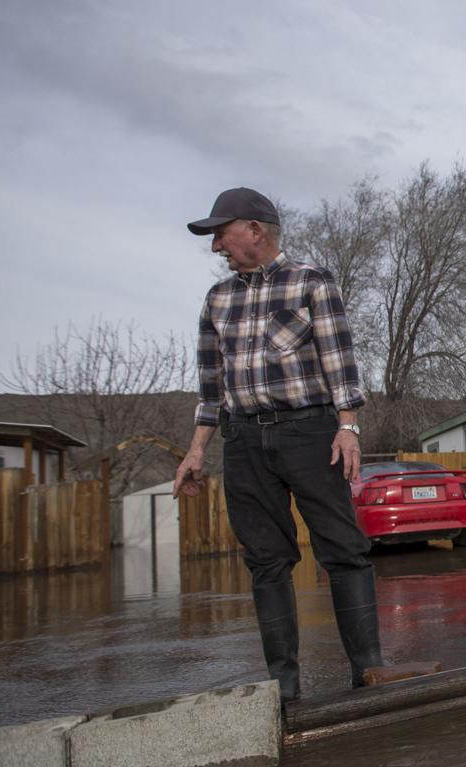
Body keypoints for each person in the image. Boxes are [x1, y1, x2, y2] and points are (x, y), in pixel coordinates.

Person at [173, 187, 382, 702]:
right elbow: (211, 388)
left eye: (220, 234)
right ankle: (283, 688)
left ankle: (369, 672)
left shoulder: (311, 282)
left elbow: (339, 361)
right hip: (243, 439)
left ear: (254, 229)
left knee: (343, 550)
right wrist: (196, 450)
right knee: (266, 561)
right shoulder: (217, 299)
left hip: (309, 433)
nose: (215, 246)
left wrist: (348, 427)